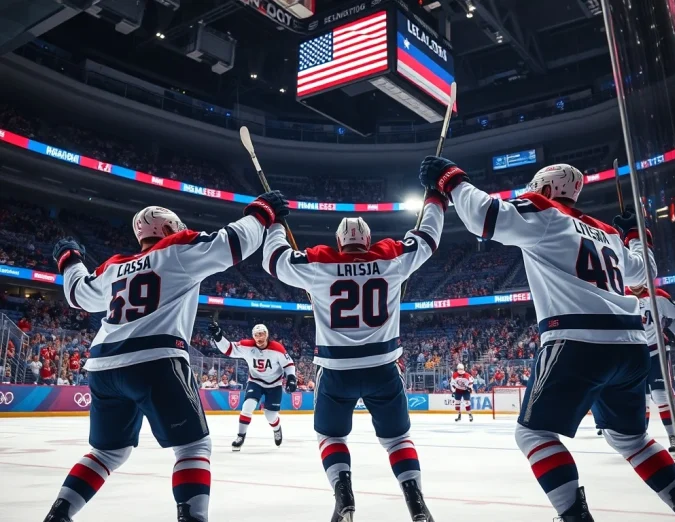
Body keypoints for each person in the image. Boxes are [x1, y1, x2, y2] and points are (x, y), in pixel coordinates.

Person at [419, 157, 675, 521]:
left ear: (545, 189)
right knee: (631, 439)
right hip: (631, 345)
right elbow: (646, 272)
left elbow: (484, 216)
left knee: (533, 434)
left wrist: (450, 179)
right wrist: (636, 238)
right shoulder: (607, 232)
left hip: (577, 341)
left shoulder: (545, 210)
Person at [43, 192, 289, 522]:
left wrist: (70, 259)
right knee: (193, 448)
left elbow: (78, 294)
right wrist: (263, 212)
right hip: (156, 359)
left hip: (103, 366)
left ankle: (59, 514)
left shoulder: (114, 266)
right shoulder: (178, 249)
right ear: (169, 227)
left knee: (106, 452)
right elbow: (233, 243)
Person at [262, 189, 447, 522]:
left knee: (331, 436)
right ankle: (416, 503)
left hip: (336, 372)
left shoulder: (320, 262)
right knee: (397, 439)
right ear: (368, 237)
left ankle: (343, 495)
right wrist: (434, 199)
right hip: (383, 369)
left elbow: (273, 260)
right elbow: (429, 238)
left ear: (338, 241)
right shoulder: (390, 257)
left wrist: (274, 222)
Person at [603, 285, 675, 455]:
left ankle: (673, 437)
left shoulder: (657, 295)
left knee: (660, 395)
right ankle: (641, 440)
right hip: (634, 352)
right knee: (639, 399)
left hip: (655, 351)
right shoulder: (620, 296)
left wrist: (669, 333)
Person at [208, 322, 297, 450]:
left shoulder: (277, 348)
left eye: (261, 334)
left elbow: (289, 364)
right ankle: (240, 436)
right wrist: (218, 336)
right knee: (247, 406)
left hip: (275, 384)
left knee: (270, 416)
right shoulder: (247, 346)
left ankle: (277, 429)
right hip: (255, 381)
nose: (258, 337)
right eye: (256, 335)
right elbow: (228, 349)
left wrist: (291, 378)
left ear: (266, 335)